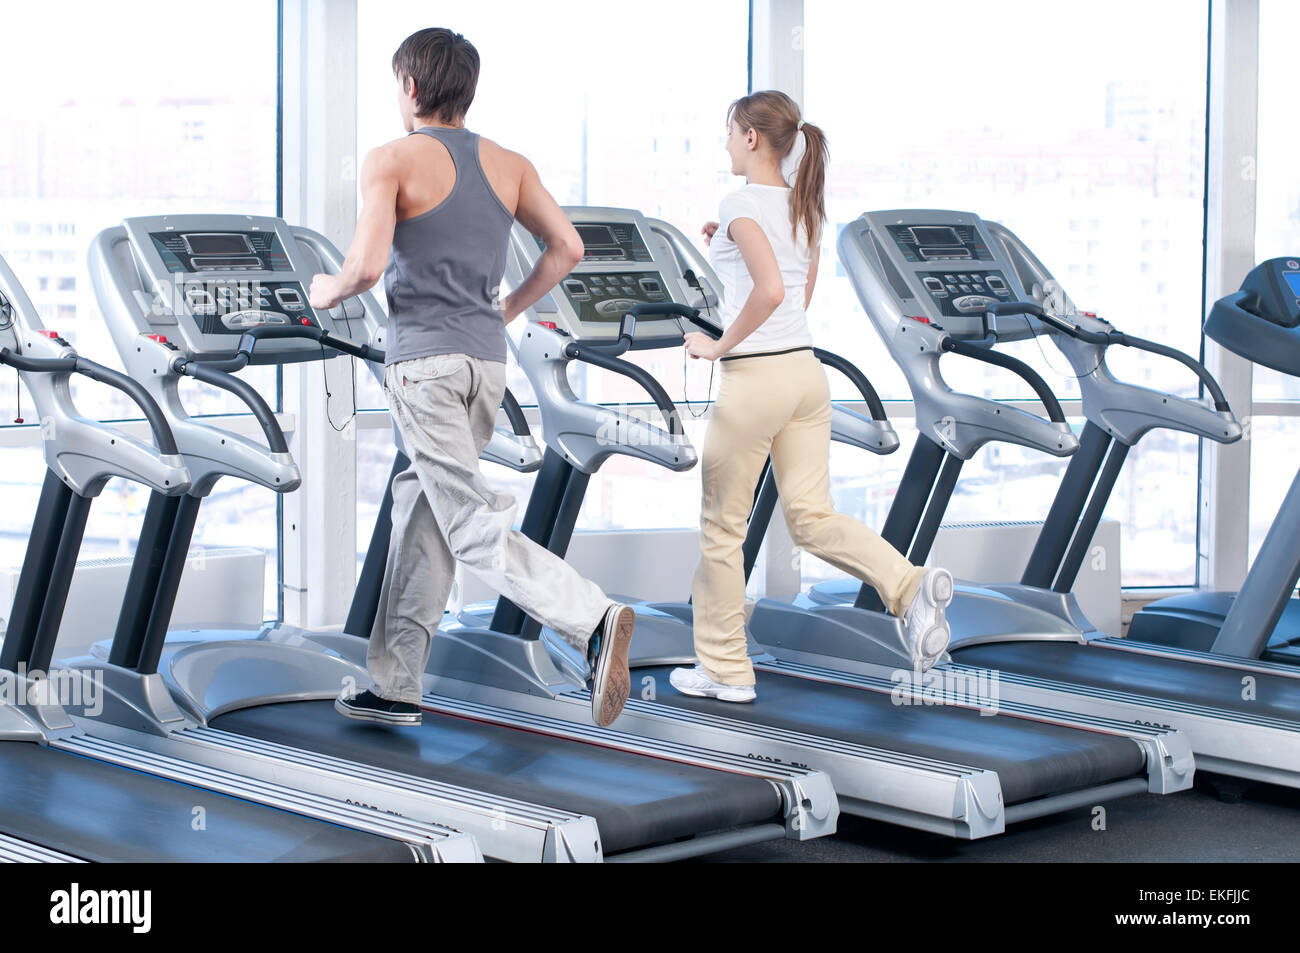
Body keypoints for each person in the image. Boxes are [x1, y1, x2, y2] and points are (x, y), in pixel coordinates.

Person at [308, 27, 634, 729]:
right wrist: (509, 306)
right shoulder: (509, 163)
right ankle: (395, 684)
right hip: (486, 362)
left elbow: (364, 267)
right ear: (468, 90)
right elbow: (568, 247)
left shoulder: (390, 159)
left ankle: (593, 619)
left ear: (411, 88)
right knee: (420, 510)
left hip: (424, 365)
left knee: (468, 524)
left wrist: (323, 290)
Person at [669, 90, 953, 704]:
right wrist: (730, 241)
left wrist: (715, 347)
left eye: (728, 132)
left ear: (751, 137)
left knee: (723, 531)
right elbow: (795, 294)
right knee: (813, 518)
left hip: (754, 382)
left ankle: (725, 670)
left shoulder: (741, 202)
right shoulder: (803, 208)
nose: (725, 142)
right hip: (805, 374)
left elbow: (769, 290)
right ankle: (908, 585)